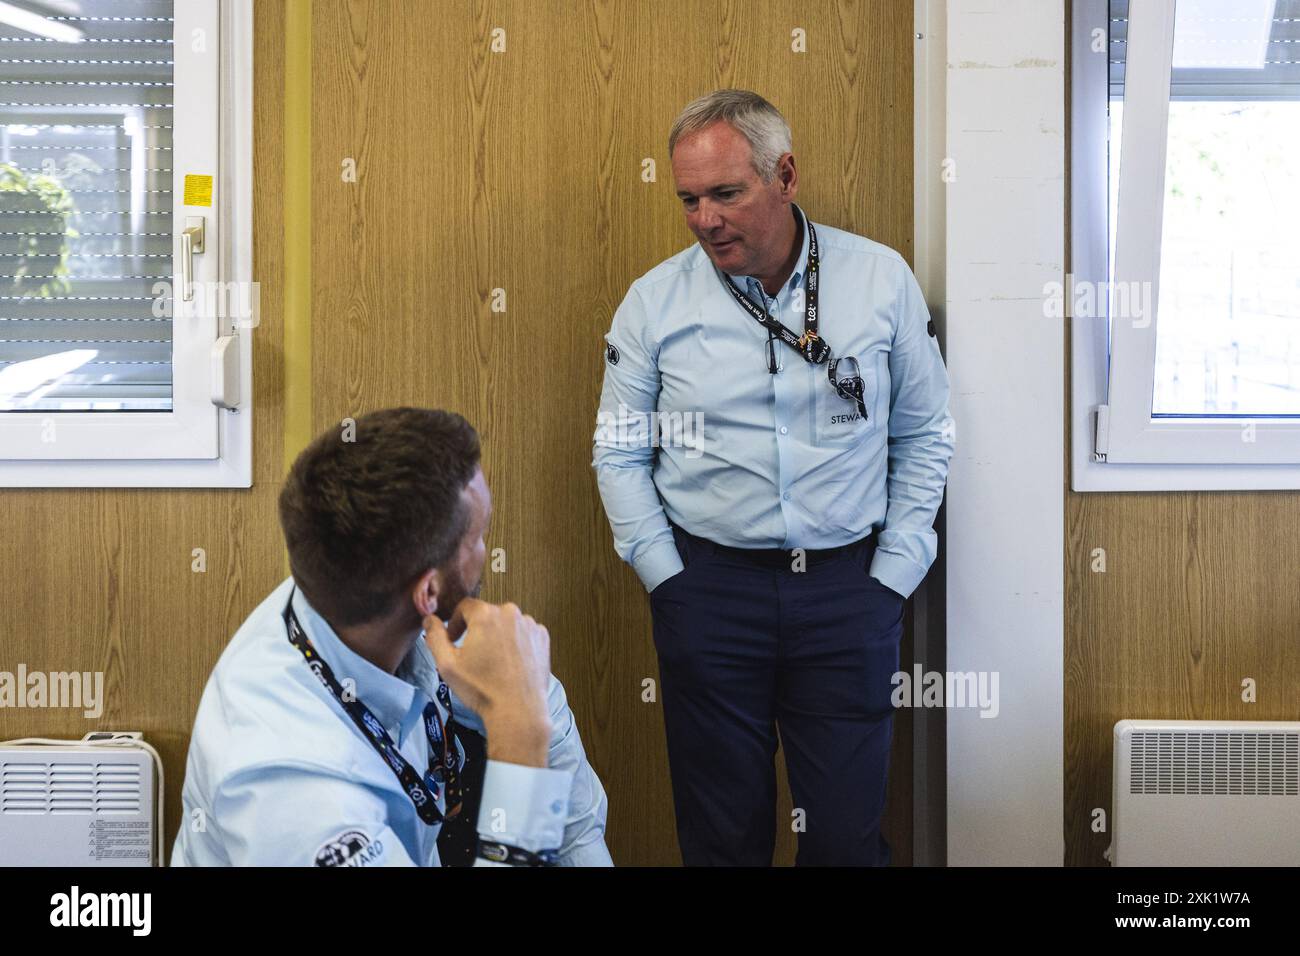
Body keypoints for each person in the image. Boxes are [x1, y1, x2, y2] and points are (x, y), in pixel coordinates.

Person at [592, 89, 954, 865]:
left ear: (784, 175)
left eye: (726, 193)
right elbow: (618, 452)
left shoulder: (879, 281)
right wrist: (667, 576)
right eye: (688, 199)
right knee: (722, 837)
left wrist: (893, 569)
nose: (705, 218)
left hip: (847, 591)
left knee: (847, 838)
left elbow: (925, 432)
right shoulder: (654, 303)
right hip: (711, 592)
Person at [173, 407, 611, 866]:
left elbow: (535, 697)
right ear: (428, 590)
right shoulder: (300, 801)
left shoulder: (361, 590)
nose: (486, 551)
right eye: (480, 536)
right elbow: (527, 716)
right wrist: (520, 740)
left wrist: (527, 709)